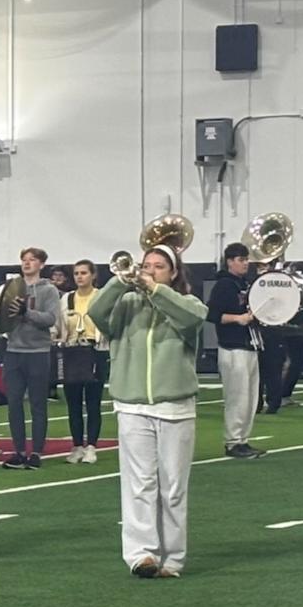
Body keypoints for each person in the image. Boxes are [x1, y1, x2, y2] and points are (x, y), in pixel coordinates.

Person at [88, 242, 206, 577]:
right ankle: (141, 555)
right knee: (138, 483)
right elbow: (96, 312)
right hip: (132, 404)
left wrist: (155, 290)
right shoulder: (126, 304)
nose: (149, 271)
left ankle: (173, 558)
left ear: (173, 273)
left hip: (175, 406)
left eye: (159, 266)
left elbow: (193, 319)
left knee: (173, 488)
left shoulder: (188, 304)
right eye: (146, 265)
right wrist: (120, 281)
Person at [0, 248, 60, 471]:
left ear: (41, 264)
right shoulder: (13, 287)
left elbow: (50, 318)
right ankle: (18, 451)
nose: (27, 263)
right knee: (14, 403)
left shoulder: (49, 290)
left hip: (38, 352)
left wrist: (27, 313)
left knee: (37, 404)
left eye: (32, 260)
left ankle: (36, 452)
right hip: (14, 350)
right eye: (24, 260)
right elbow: (0, 315)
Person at [206, 244, 265, 458]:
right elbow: (211, 314)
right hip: (232, 347)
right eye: (241, 259)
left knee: (250, 398)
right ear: (230, 261)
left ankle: (242, 439)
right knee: (237, 397)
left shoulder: (244, 283)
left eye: (246, 259)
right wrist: (238, 318)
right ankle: (232, 441)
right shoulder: (224, 285)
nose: (245, 263)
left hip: (249, 344)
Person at [60, 259, 110, 464]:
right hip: (72, 351)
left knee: (92, 402)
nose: (80, 277)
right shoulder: (67, 298)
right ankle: (77, 446)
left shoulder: (101, 296)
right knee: (73, 403)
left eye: (84, 273)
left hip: (95, 351)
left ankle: (91, 446)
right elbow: (60, 324)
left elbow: (108, 322)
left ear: (93, 275)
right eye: (76, 273)